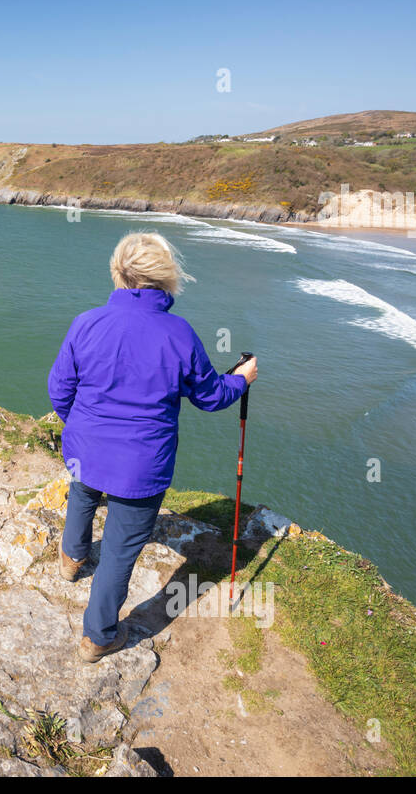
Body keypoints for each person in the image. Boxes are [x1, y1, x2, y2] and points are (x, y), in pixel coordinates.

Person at [47, 231, 258, 663]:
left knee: (83, 492)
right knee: (121, 550)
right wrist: (241, 379)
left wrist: (86, 428)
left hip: (86, 448)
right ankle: (98, 635)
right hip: (141, 466)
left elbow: (58, 390)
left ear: (117, 272)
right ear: (166, 277)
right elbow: (209, 396)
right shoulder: (177, 334)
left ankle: (71, 559)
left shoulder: (86, 322)